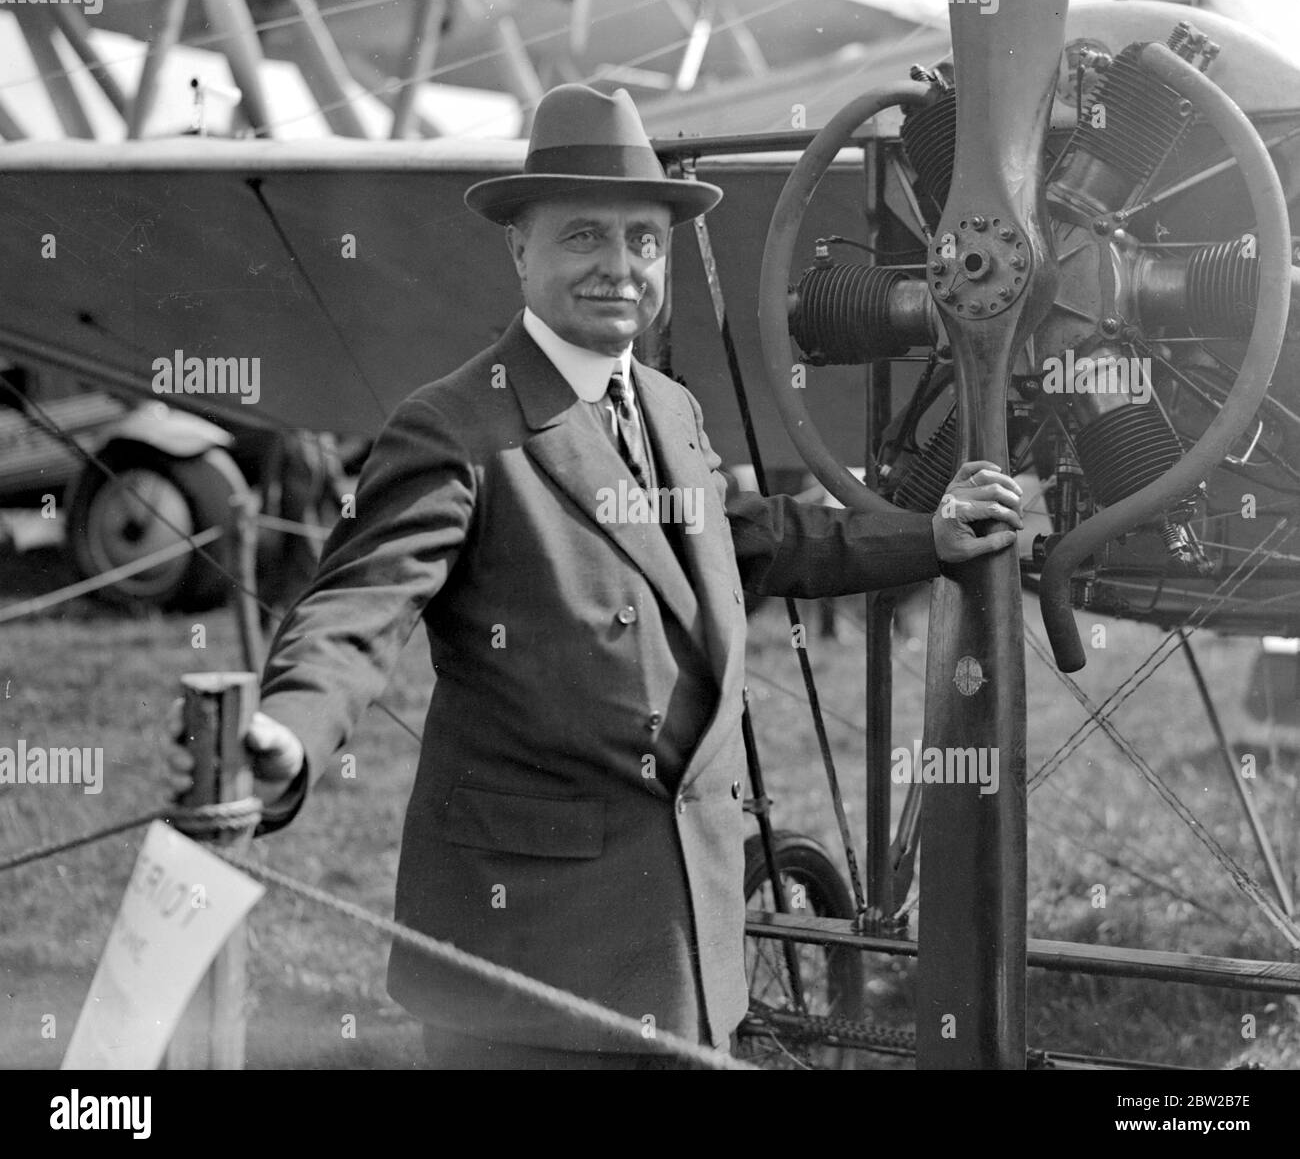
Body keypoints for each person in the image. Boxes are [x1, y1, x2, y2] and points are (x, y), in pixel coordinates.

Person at [170, 84, 1024, 1070]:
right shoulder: (455, 426)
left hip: (684, 942)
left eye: (642, 241)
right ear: (520, 250)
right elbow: (355, 612)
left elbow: (758, 539)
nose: (618, 267)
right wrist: (291, 729)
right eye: (583, 237)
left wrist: (932, 534)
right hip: (530, 966)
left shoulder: (666, 405)